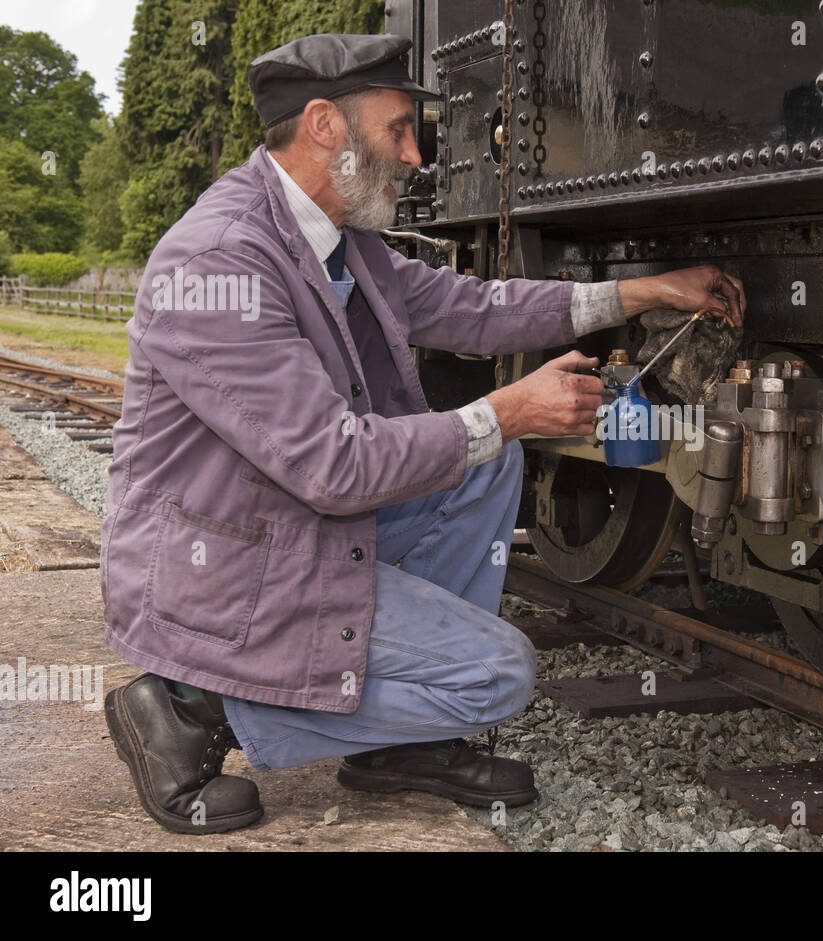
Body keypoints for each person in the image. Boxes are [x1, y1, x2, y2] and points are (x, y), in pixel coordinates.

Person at [101, 33, 746, 834]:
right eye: (398, 130)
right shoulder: (218, 264)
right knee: (499, 674)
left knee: (484, 461)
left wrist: (642, 292)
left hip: (293, 527)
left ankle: (398, 744)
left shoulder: (341, 241)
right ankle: (189, 709)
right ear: (323, 126)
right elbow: (333, 466)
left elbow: (477, 309)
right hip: (233, 568)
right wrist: (509, 408)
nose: (414, 156)